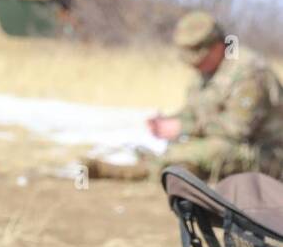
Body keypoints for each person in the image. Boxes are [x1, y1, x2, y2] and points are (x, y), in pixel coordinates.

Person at [90, 11, 283, 182]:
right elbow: (194, 112)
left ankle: (130, 171)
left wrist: (184, 127)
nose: (194, 64)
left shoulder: (248, 72)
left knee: (209, 151)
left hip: (265, 154)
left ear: (216, 45)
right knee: (187, 151)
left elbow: (238, 129)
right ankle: (176, 170)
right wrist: (169, 122)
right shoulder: (208, 71)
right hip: (230, 145)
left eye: (199, 54)